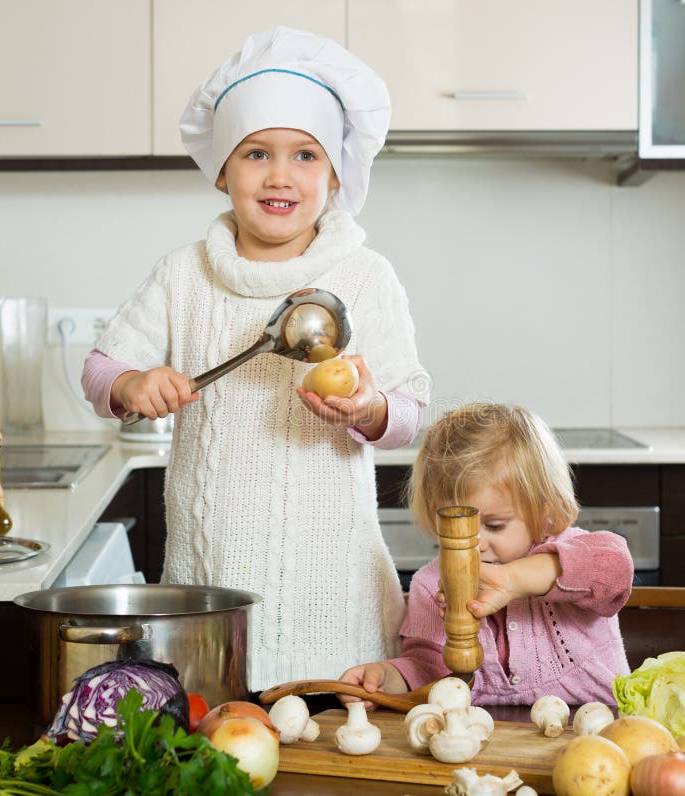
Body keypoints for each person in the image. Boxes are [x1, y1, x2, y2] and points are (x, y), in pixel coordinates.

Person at [81, 27, 430, 691]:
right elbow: (99, 371)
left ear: (333, 174)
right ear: (221, 170)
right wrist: (131, 382)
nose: (280, 175)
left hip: (337, 593)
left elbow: (410, 413)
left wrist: (370, 408)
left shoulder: (364, 276)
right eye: (255, 153)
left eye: (305, 155)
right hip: (209, 588)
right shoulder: (183, 275)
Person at [340, 402, 634, 706]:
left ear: (544, 507)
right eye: (455, 524)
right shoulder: (431, 584)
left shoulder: (571, 553)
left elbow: (615, 569)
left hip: (595, 735)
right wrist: (388, 677)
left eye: (495, 525)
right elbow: (427, 670)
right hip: (488, 743)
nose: (475, 543)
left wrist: (514, 579)